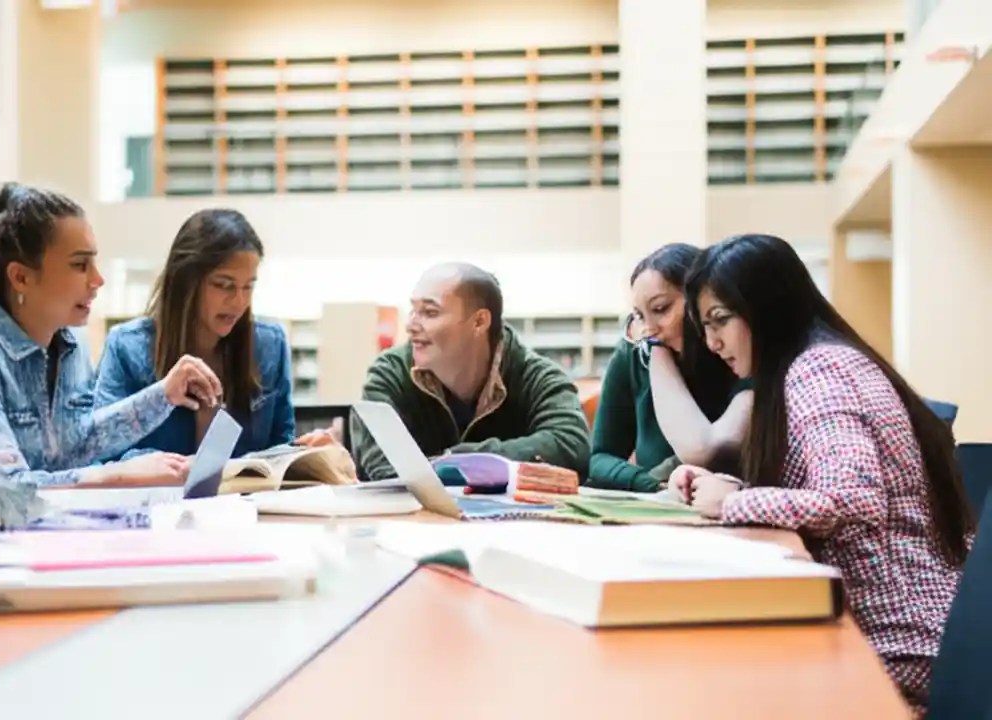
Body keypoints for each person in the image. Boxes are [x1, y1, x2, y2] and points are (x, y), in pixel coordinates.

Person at [671, 233, 971, 713]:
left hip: (897, 645)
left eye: (720, 320)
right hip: (914, 629)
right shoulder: (826, 358)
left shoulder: (819, 370)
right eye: (705, 326)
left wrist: (732, 504)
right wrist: (736, 489)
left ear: (765, 306)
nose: (712, 343)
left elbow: (854, 499)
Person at [0, 183, 222, 523]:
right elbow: (13, 496)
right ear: (21, 278)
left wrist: (164, 395)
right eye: (79, 265)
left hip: (50, 541)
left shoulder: (70, 343)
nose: (97, 280)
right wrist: (120, 475)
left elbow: (76, 442)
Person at [352, 262, 590, 481]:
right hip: (417, 524)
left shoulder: (537, 376)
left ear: (479, 322)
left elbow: (571, 447)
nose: (411, 325)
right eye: (413, 310)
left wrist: (455, 461)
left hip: (514, 526)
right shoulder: (389, 374)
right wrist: (477, 467)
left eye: (430, 312)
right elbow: (383, 469)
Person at [94, 209, 298, 457]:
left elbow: (282, 445)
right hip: (156, 495)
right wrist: (164, 467)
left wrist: (306, 452)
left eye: (249, 286)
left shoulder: (270, 344)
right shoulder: (126, 348)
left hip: (250, 496)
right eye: (224, 285)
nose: (239, 301)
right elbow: (100, 451)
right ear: (186, 282)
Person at [588, 244, 751, 491]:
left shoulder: (739, 355)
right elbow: (599, 458)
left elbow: (709, 451)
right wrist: (653, 484)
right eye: (639, 316)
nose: (648, 329)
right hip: (661, 507)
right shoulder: (635, 352)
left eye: (661, 309)